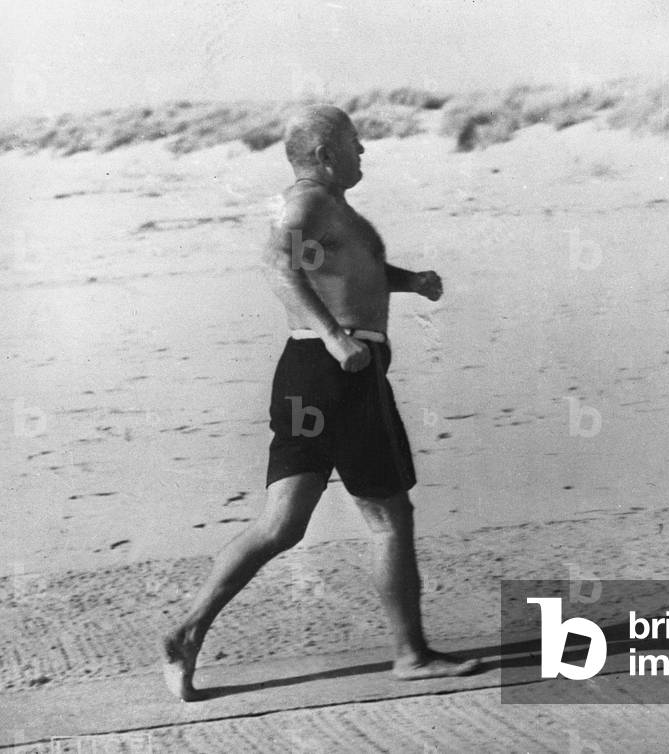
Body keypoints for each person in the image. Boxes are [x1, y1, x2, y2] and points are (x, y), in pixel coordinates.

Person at [162, 104, 479, 701]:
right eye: (355, 143)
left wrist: (409, 281)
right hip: (341, 374)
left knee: (280, 525)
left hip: (311, 377)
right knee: (388, 516)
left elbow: (346, 270)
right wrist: (336, 338)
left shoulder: (328, 209)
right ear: (325, 153)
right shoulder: (304, 201)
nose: (364, 152)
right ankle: (411, 656)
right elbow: (277, 266)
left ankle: (188, 629)